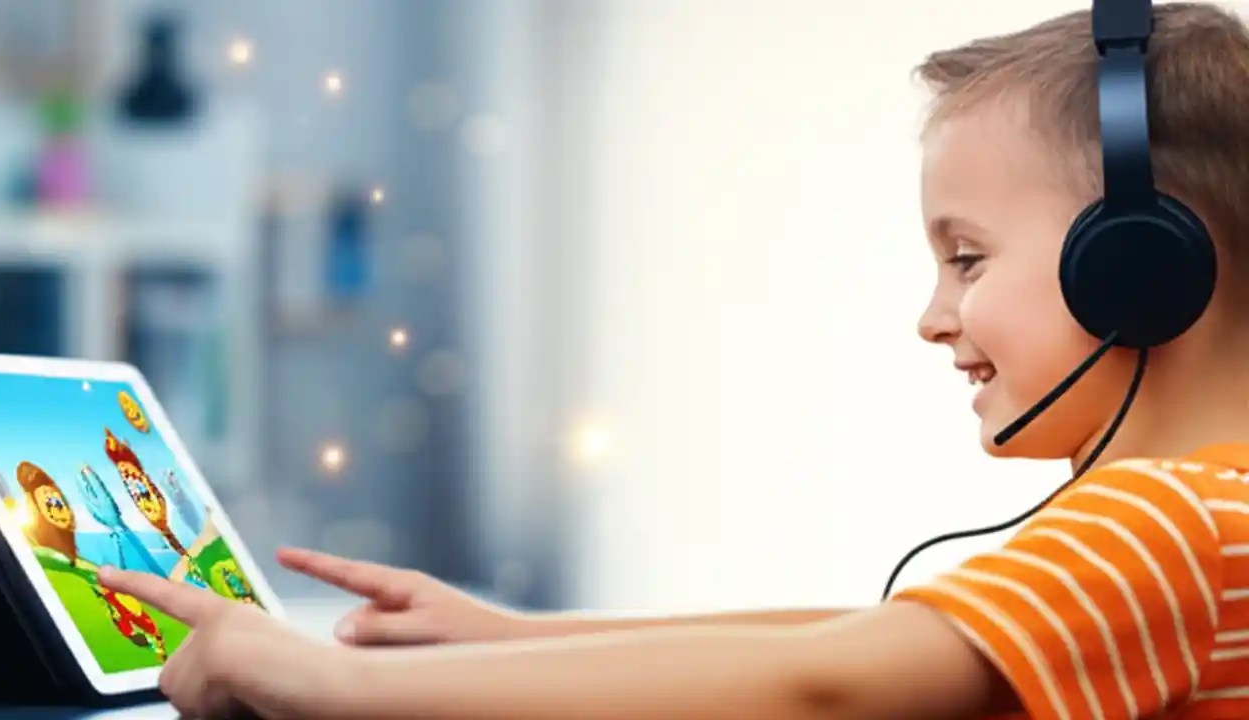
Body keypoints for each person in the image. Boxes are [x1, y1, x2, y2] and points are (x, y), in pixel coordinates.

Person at [99, 3, 1249, 718]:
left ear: (1141, 267)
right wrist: (522, 643)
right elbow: (860, 641)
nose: (932, 317)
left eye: (965, 257)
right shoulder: (1210, 514)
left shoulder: (1164, 526)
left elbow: (834, 684)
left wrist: (335, 684)